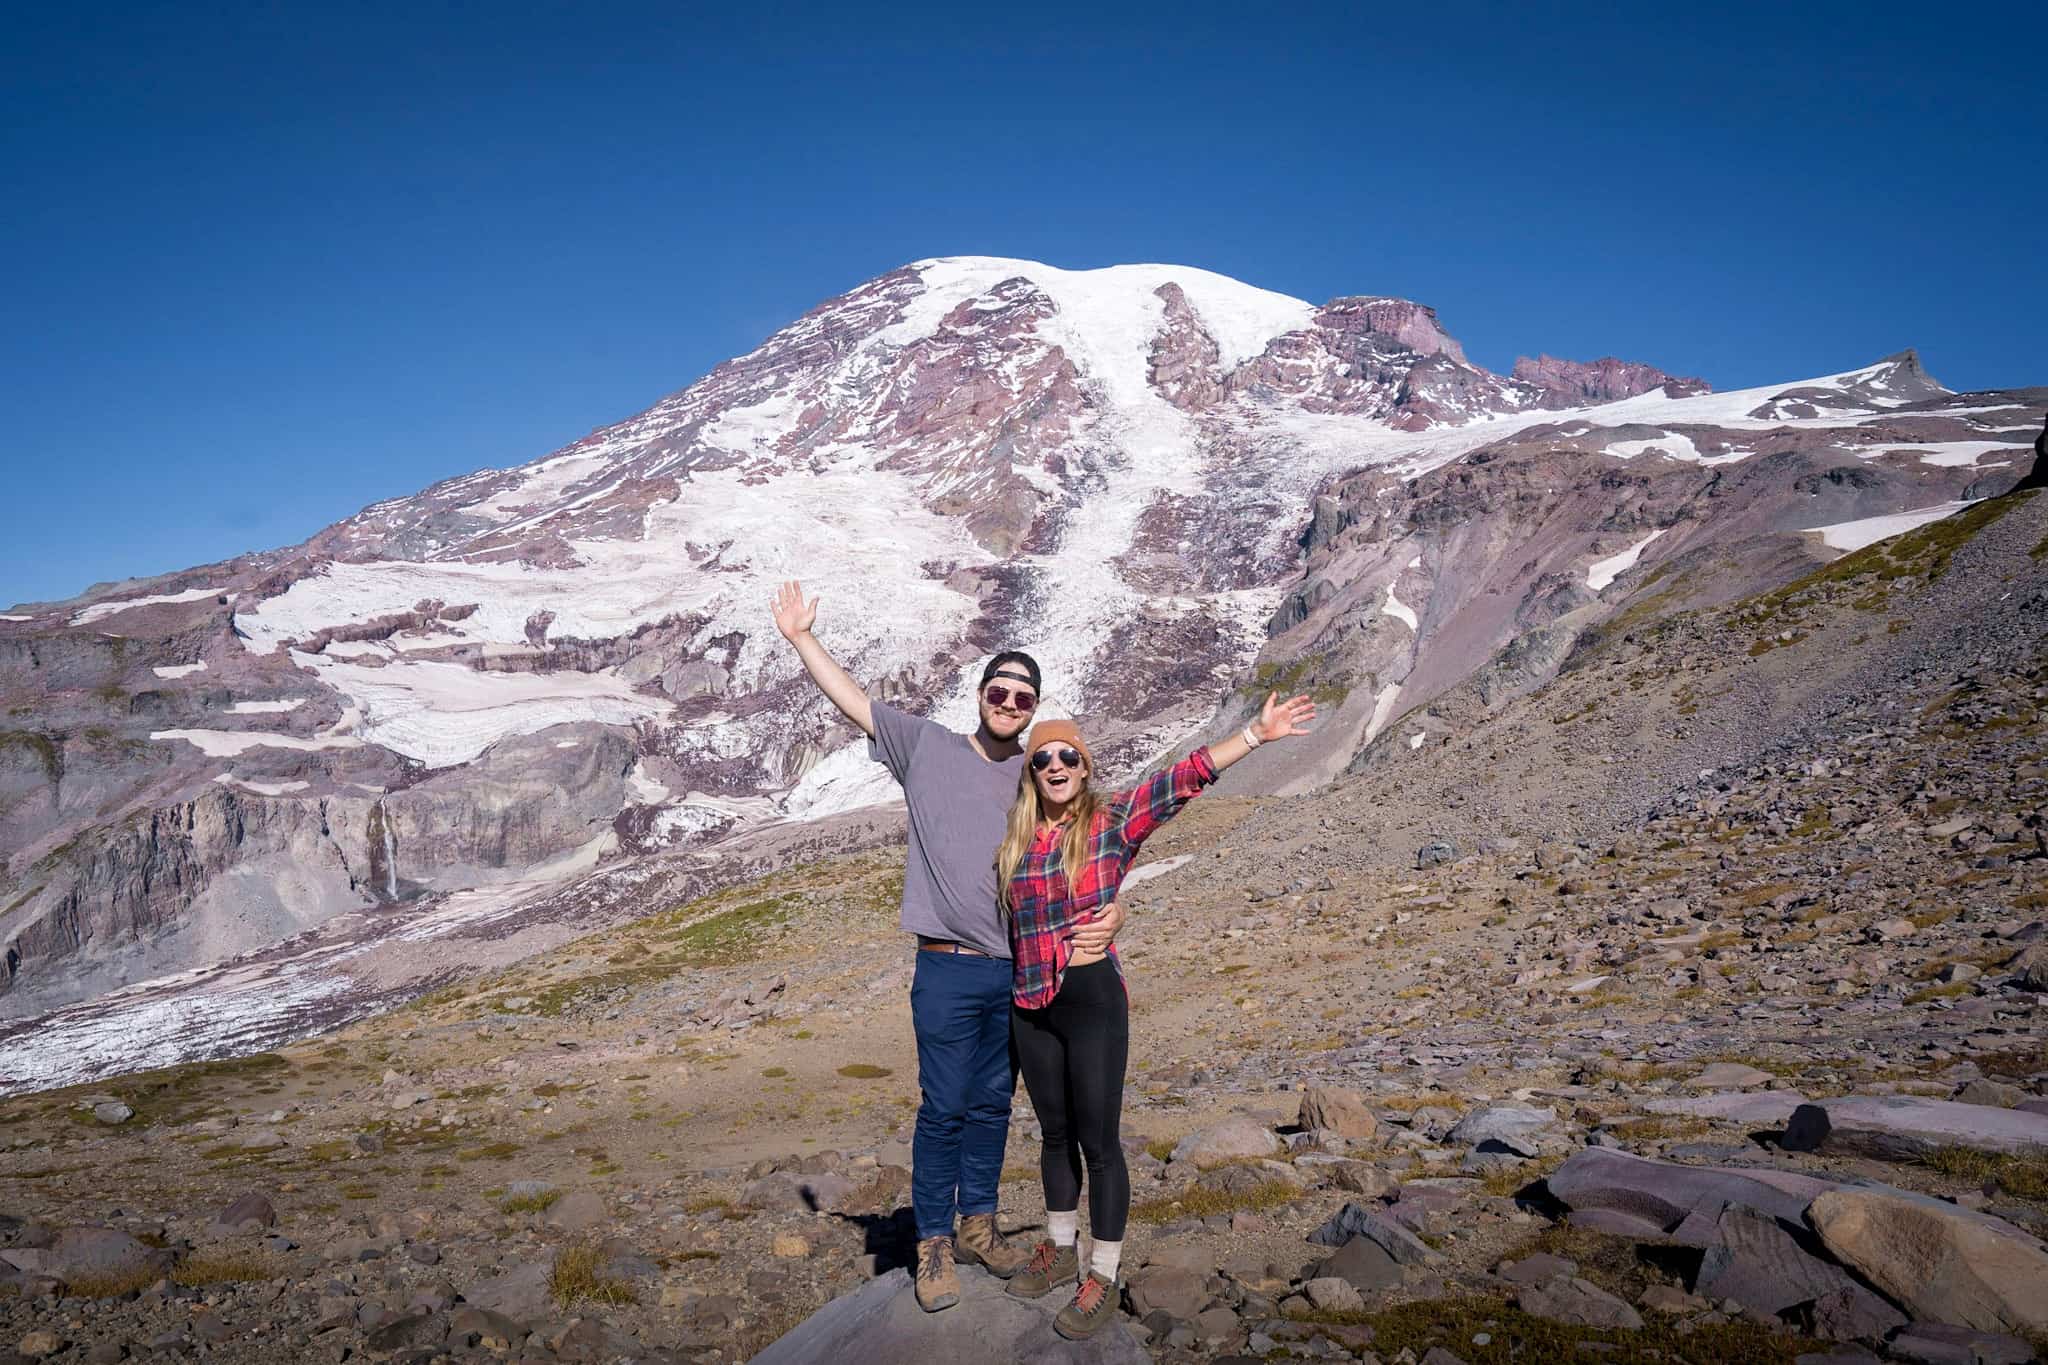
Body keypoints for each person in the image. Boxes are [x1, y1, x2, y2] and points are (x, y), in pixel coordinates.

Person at [769, 581, 1126, 1313]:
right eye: (1001, 689)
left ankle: (978, 1224)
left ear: (1032, 710)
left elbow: (1095, 846)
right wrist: (802, 638)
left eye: (1024, 697)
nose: (1010, 702)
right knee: (944, 1104)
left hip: (1018, 973)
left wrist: (1115, 909)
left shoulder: (1038, 776)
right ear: (981, 693)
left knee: (995, 1103)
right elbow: (855, 700)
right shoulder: (925, 745)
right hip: (944, 967)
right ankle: (932, 1239)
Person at [996, 691, 1316, 1340]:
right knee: (1053, 1137)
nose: (1054, 766)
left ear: (1083, 767)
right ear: (1031, 773)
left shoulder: (1110, 820)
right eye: (1041, 759)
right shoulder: (1017, 843)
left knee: (1099, 1143)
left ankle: (1103, 1276)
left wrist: (1254, 734)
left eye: (1067, 756)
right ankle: (1059, 1248)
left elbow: (1181, 780)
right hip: (1030, 1006)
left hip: (1091, 1004)